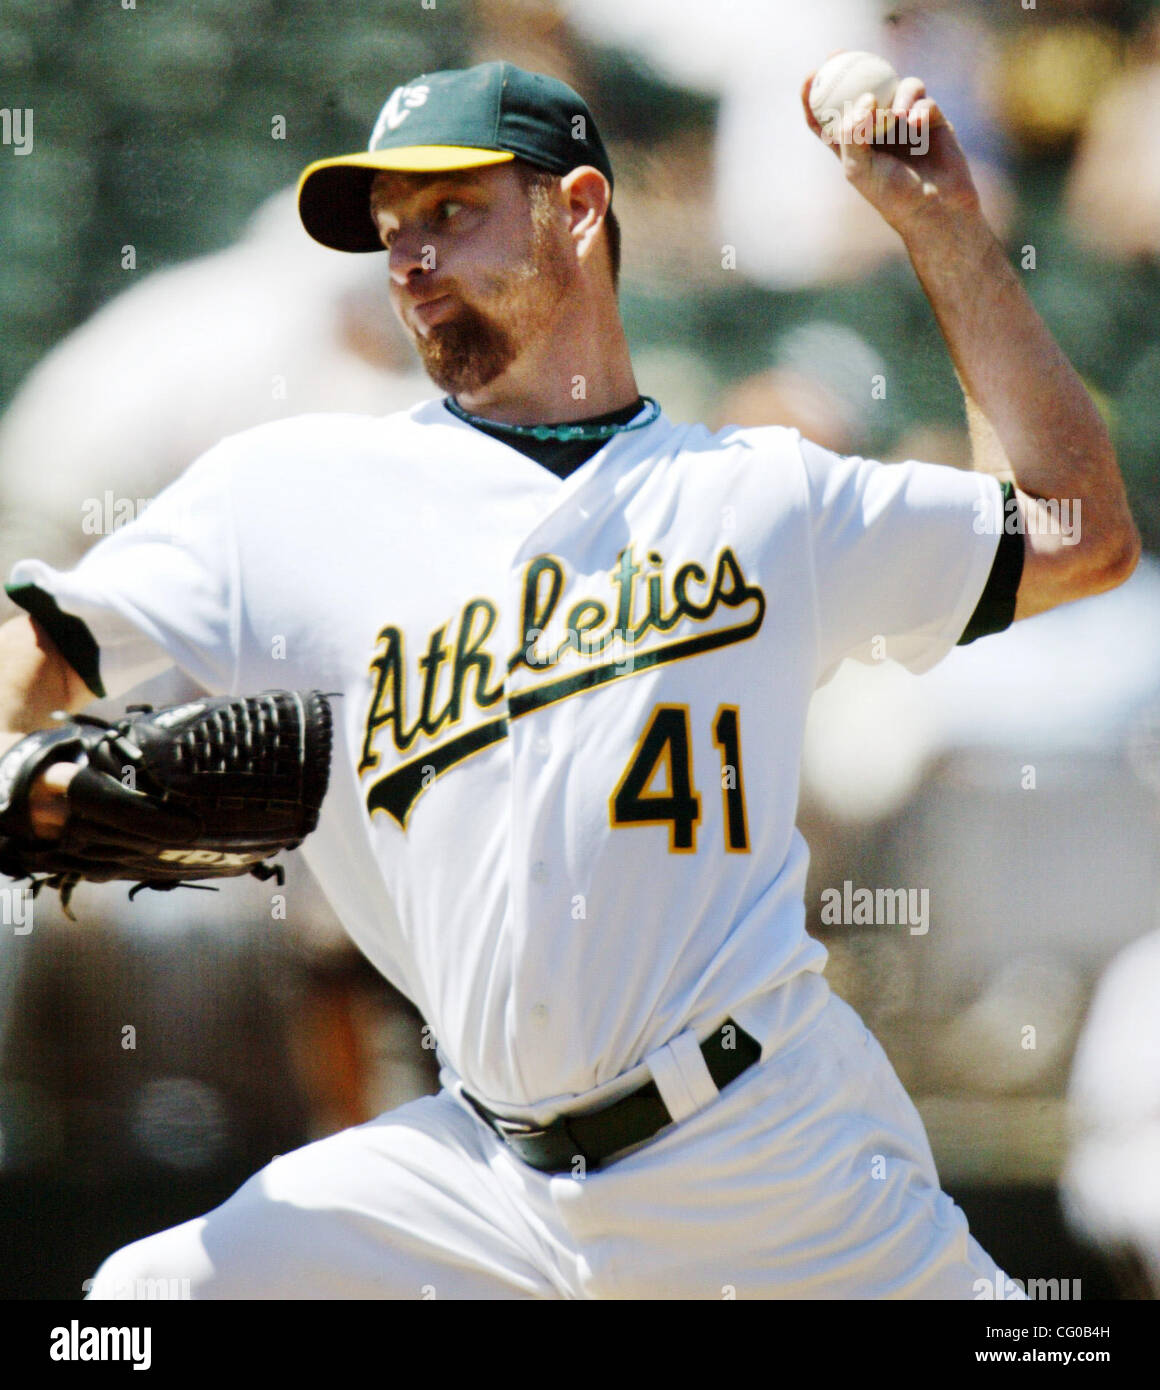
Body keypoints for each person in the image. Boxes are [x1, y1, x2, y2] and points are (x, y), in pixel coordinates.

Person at [0, 59, 1137, 1299]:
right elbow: (38, 639)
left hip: (766, 1154)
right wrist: (25, 787)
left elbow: (1077, 536)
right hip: (480, 1180)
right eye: (390, 235)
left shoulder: (760, 496)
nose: (411, 262)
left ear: (580, 208)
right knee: (131, 1312)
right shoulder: (287, 493)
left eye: (449, 214)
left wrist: (943, 227)